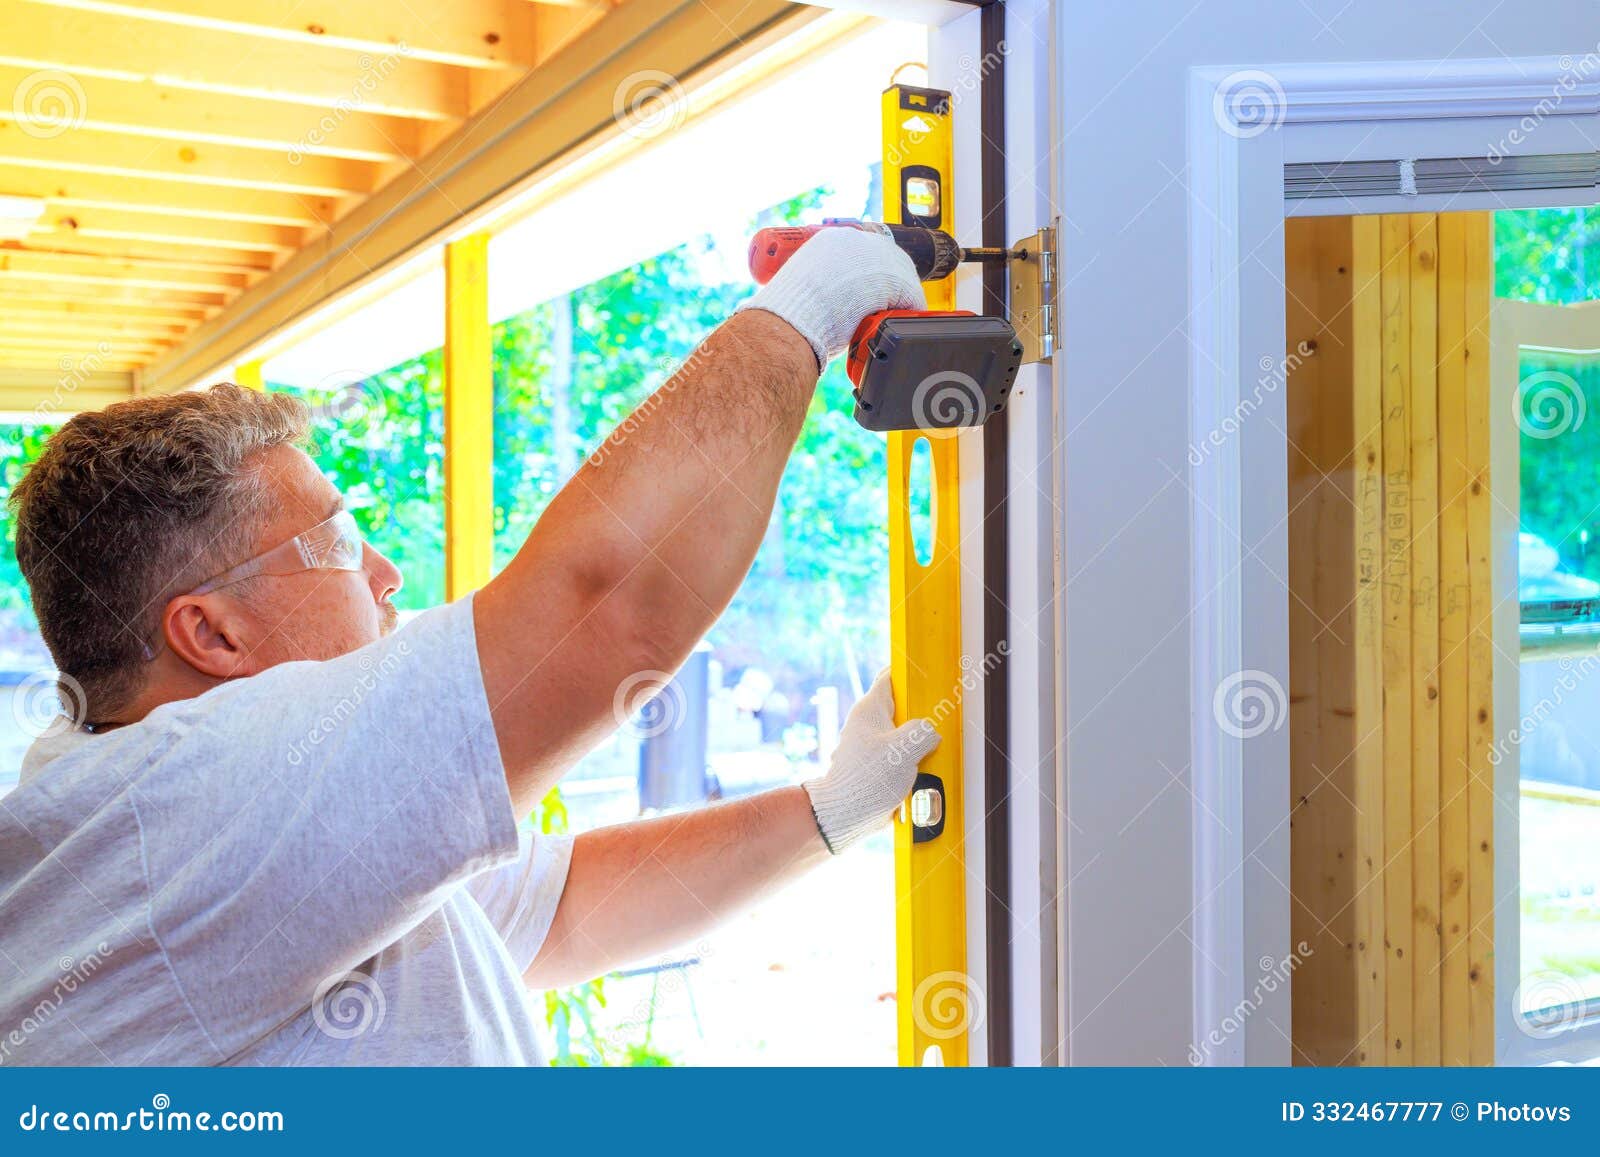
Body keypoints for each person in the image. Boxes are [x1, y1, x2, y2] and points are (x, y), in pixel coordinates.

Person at [0, 229, 940, 1065]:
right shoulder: (180, 811)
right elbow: (610, 607)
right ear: (211, 631)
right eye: (332, 543)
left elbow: (566, 910)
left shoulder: (223, 819)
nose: (385, 573)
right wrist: (809, 308)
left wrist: (836, 806)